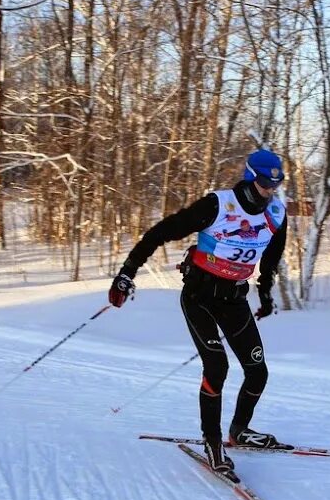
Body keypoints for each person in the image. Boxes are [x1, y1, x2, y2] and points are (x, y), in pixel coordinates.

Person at [108, 148, 292, 478]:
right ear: (251, 177)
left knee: (257, 372)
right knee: (217, 367)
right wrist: (126, 273)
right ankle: (212, 442)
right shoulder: (218, 205)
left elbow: (271, 258)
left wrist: (265, 294)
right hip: (200, 297)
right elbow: (160, 232)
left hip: (234, 299)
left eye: (275, 185)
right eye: (265, 184)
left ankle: (239, 431)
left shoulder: (276, 214)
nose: (270, 191)